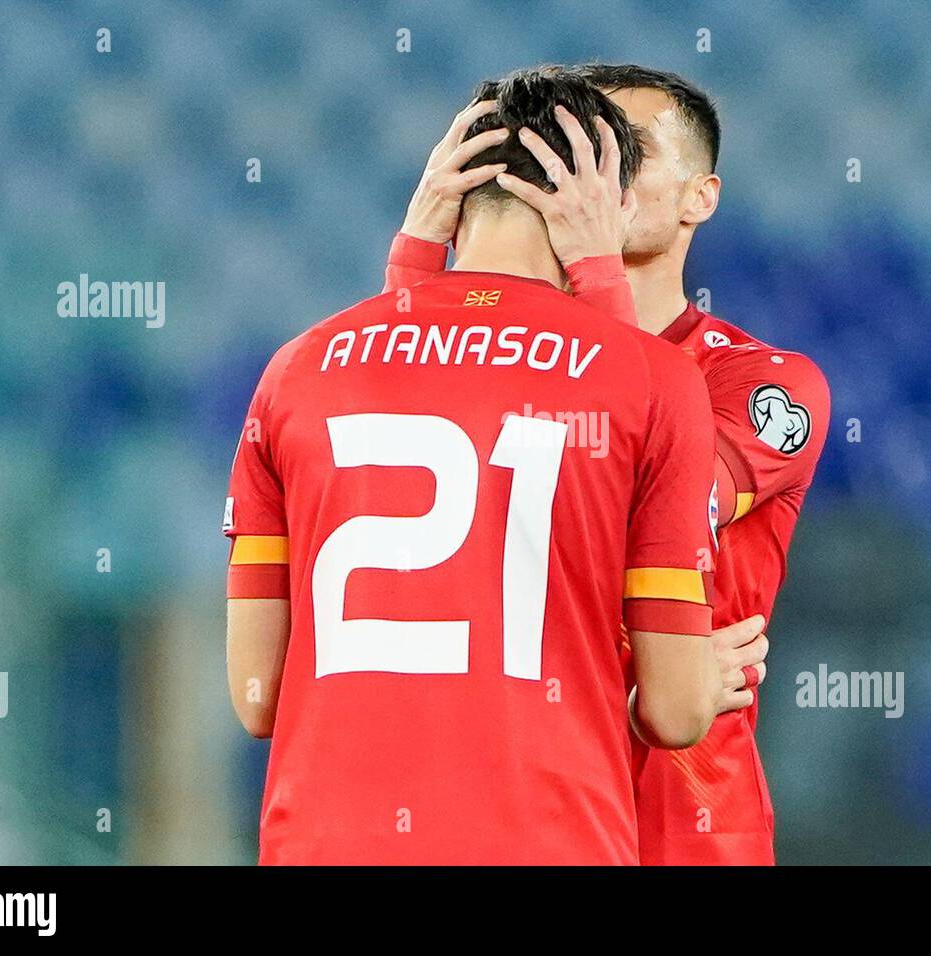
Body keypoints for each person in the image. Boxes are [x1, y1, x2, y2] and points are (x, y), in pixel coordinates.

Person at [223, 67, 724, 865]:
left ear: (453, 195)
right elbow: (677, 711)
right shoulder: (657, 381)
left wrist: (414, 268)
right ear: (613, 205)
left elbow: (257, 692)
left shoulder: (296, 370)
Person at [383, 64, 830, 865]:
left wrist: (593, 283)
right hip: (523, 802)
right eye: (583, 146)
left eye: (628, 150)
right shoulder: (502, 360)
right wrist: (420, 257)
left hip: (680, 817)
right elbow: (397, 452)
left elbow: (647, 493)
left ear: (701, 196)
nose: (596, 176)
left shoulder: (764, 381)